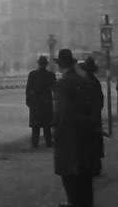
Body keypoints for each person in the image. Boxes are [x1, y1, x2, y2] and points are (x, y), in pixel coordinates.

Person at [52, 49, 101, 207]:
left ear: (60, 66)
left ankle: (72, 203)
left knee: (70, 177)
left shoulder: (62, 84)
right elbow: (94, 106)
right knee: (85, 180)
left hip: (69, 138)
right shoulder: (85, 81)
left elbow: (63, 113)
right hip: (86, 136)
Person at [79, 57, 106, 176]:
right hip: (95, 116)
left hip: (89, 117)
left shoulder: (86, 81)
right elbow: (100, 100)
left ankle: (92, 167)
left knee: (89, 143)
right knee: (95, 142)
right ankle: (96, 166)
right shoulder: (94, 80)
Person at [26, 55, 56, 148]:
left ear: (38, 64)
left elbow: (28, 89)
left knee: (35, 126)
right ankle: (48, 143)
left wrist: (29, 102)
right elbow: (54, 89)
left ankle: (35, 144)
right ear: (46, 64)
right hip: (46, 103)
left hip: (36, 103)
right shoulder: (51, 75)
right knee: (47, 126)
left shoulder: (32, 74)